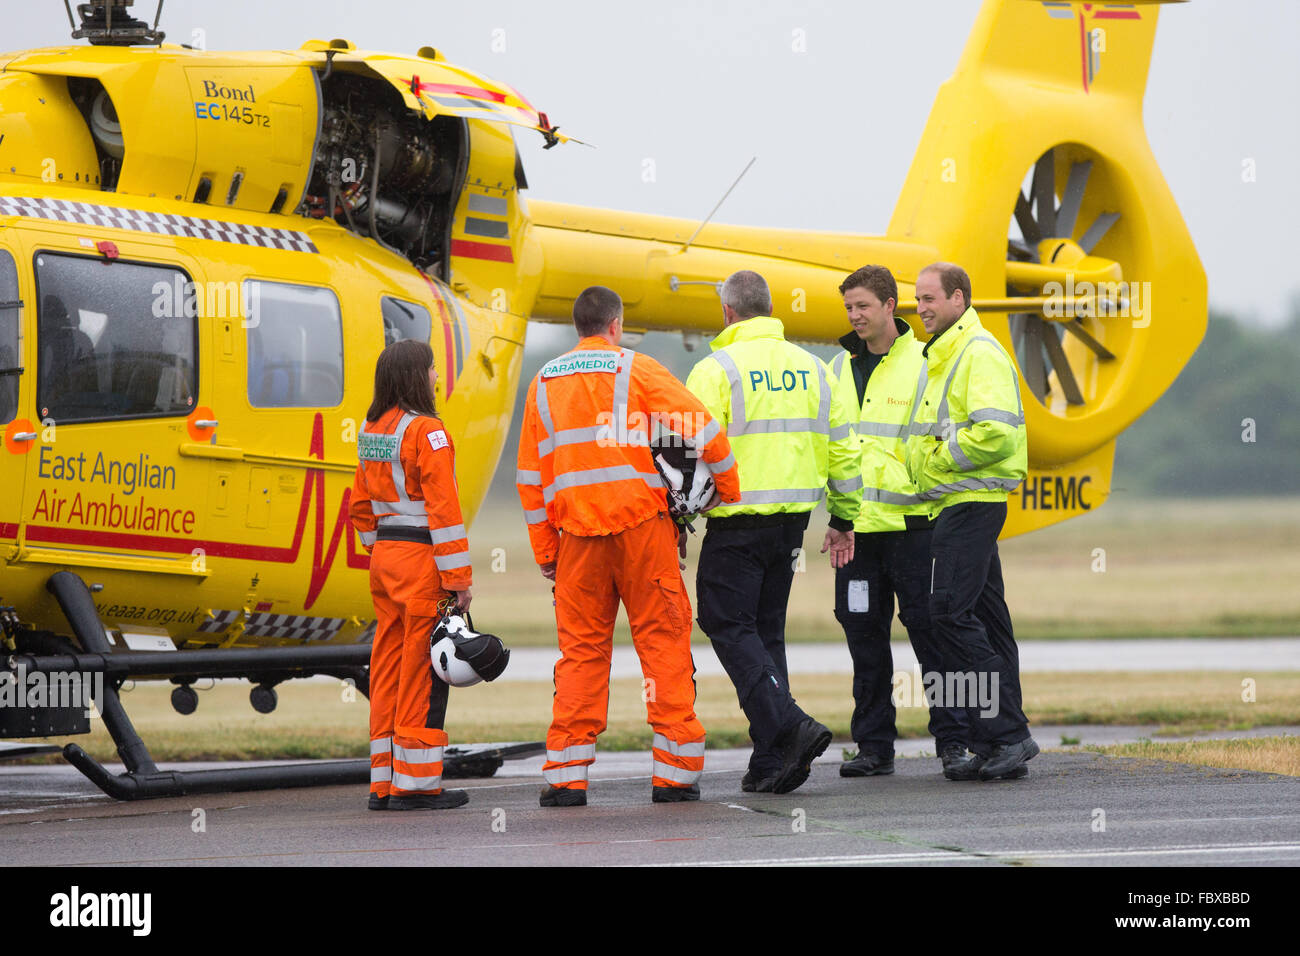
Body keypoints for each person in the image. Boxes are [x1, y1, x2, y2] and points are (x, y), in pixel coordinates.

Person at [516, 285, 741, 807]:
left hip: (575, 541)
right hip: (642, 529)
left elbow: (530, 479)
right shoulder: (634, 369)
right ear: (615, 325)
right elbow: (705, 431)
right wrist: (725, 489)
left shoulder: (543, 384)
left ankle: (566, 779)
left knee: (580, 655)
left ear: (579, 326)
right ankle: (675, 776)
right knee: (662, 645)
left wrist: (547, 551)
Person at [685, 270, 862, 794]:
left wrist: (679, 519)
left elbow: (687, 456)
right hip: (792, 525)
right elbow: (843, 450)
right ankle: (771, 760)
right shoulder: (813, 369)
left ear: (728, 314)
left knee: (724, 620)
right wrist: (845, 518)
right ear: (769, 307)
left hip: (737, 522)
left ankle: (789, 725)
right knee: (766, 633)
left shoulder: (715, 370)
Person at [826, 265, 970, 778]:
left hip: (915, 528)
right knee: (863, 639)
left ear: (891, 306)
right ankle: (873, 746)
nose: (855, 316)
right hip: (858, 533)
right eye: (849, 308)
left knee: (932, 637)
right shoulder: (838, 368)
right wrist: (836, 516)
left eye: (863, 306)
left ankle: (954, 741)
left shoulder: (926, 363)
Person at [905, 262, 1037, 780]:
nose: (922, 307)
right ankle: (995, 741)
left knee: (948, 616)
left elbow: (996, 435)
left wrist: (936, 461)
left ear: (959, 299)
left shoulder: (977, 353)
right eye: (918, 299)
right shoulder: (944, 355)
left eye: (930, 298)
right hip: (955, 504)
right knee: (989, 623)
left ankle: (1007, 735)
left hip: (971, 502)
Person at [350, 339, 472, 811]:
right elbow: (444, 511)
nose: (437, 377)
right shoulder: (428, 431)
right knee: (422, 669)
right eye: (433, 370)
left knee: (387, 667)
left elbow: (360, 505)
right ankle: (417, 786)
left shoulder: (371, 429)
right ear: (416, 377)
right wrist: (459, 580)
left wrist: (376, 548)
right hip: (423, 562)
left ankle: (384, 783)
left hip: (384, 558)